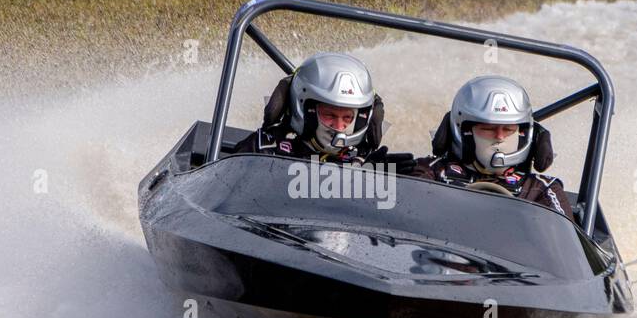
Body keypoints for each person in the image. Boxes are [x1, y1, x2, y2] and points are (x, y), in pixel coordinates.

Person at [412, 75, 573, 218]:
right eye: (488, 128)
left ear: (523, 133)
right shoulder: (432, 171)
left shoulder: (541, 189)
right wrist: (388, 168)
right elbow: (402, 218)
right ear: (465, 132)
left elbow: (564, 247)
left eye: (508, 129)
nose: (500, 136)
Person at [232, 52, 387, 163]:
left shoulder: (370, 160)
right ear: (305, 110)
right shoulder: (264, 149)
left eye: (347, 117)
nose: (339, 127)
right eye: (330, 116)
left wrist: (374, 177)